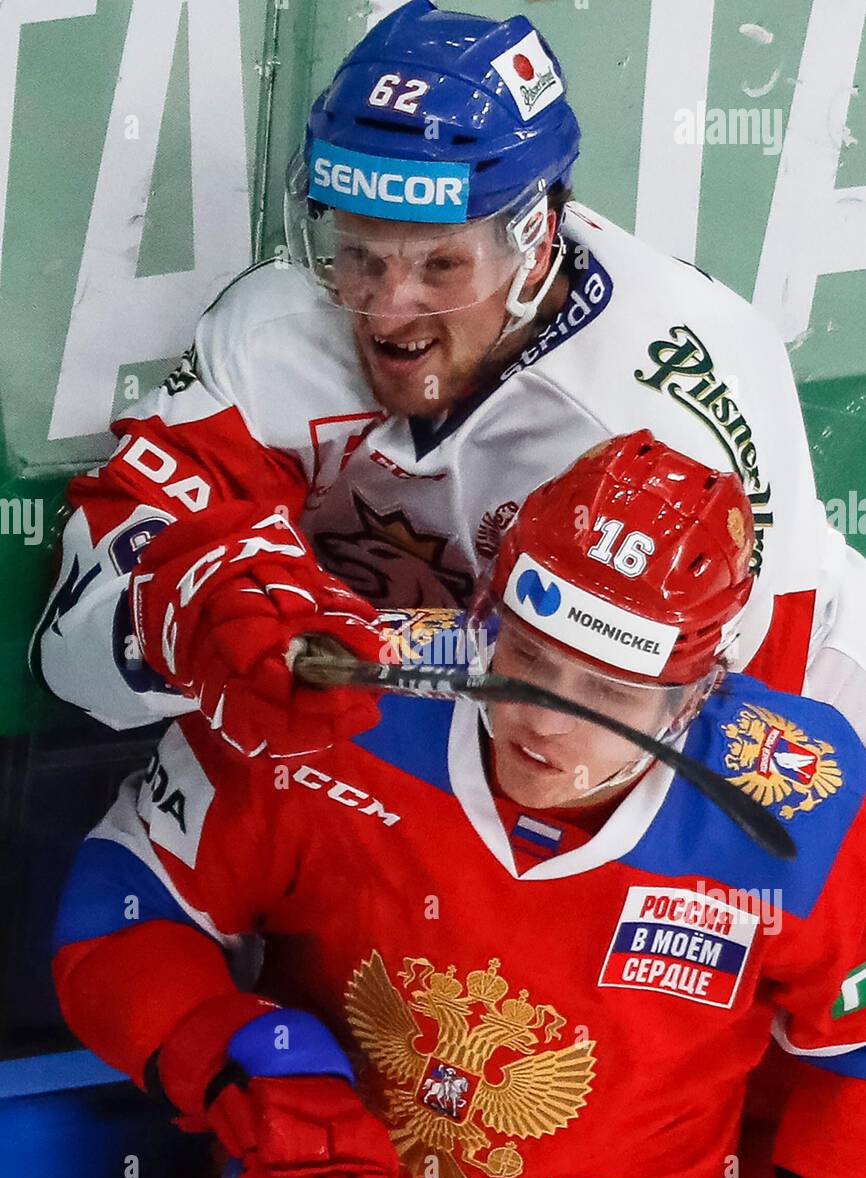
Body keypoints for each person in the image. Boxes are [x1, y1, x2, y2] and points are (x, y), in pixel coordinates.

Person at [52, 433, 866, 1178]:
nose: (544, 721)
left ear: (699, 693)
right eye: (531, 657)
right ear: (485, 612)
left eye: (609, 693)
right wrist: (251, 1058)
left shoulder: (796, 800)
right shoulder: (351, 694)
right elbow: (127, 897)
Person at [31, 0, 866, 762]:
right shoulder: (277, 334)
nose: (389, 314)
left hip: (796, 719)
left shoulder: (667, 415)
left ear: (535, 246)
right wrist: (189, 615)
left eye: (441, 266)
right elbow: (70, 644)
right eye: (358, 255)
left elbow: (742, 746)